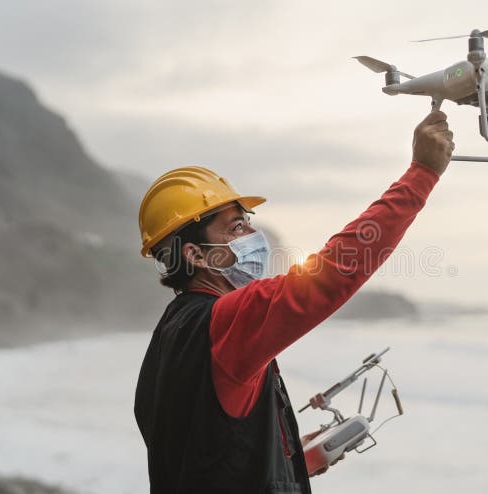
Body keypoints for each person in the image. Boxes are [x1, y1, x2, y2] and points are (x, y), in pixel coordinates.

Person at [134, 111, 454, 493]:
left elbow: (204, 453)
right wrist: (421, 174)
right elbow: (337, 269)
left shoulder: (169, 334)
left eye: (248, 221)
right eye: (236, 227)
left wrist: (288, 461)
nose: (253, 233)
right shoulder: (226, 322)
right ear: (196, 255)